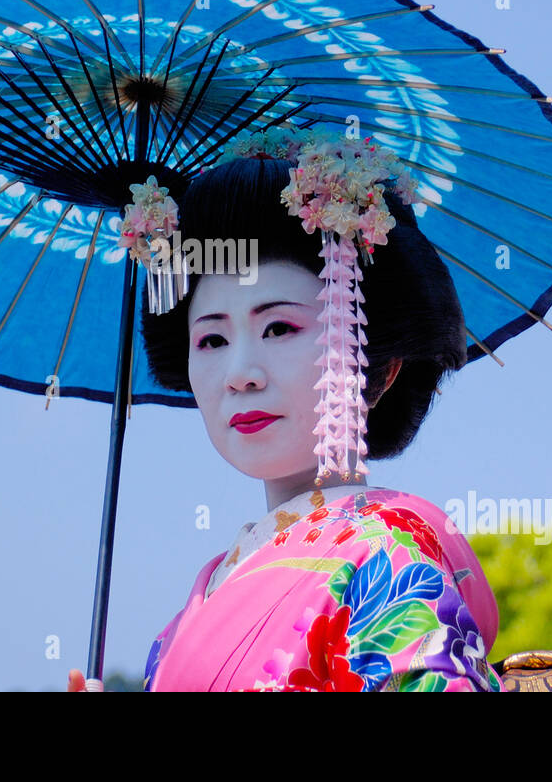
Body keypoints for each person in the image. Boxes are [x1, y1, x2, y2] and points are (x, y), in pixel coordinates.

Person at [69, 146, 502, 692]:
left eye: (279, 329)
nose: (240, 373)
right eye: (211, 339)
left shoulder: (388, 556)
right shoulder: (207, 590)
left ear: (383, 365)